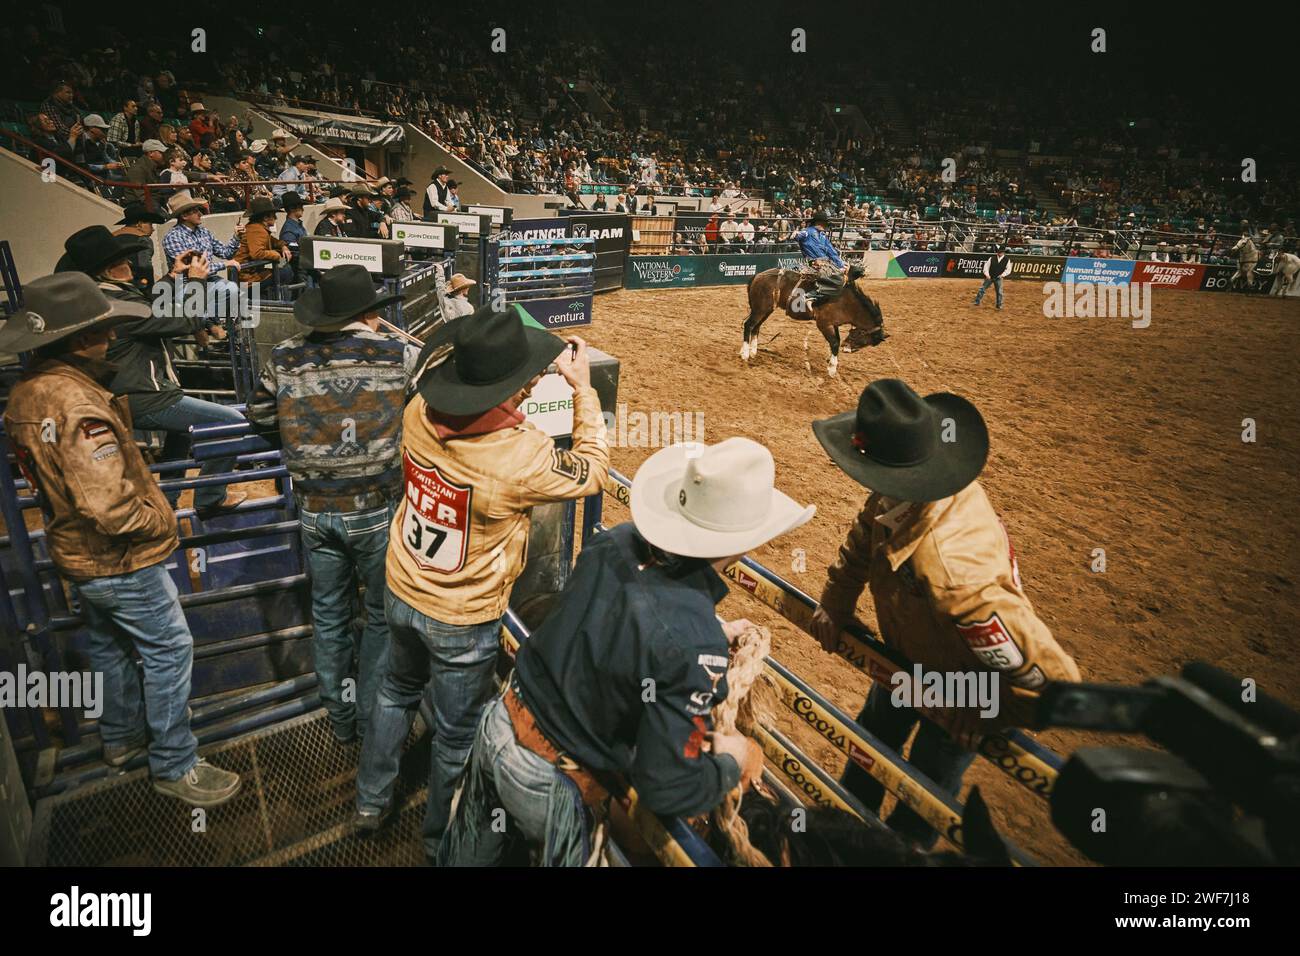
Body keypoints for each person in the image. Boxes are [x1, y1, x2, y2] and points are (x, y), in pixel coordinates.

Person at [439, 437, 813, 866]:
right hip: (553, 781)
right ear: (746, 539)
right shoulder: (692, 641)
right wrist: (733, 761)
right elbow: (666, 784)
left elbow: (629, 613)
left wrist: (710, 628)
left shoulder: (614, 542)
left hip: (499, 722)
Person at [354, 305, 609, 861]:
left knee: (395, 691)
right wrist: (581, 392)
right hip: (461, 614)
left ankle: (371, 801)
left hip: (401, 584)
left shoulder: (420, 409)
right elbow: (591, 470)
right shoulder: (520, 457)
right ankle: (438, 840)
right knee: (456, 735)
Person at [0, 274, 242, 806]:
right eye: (102, 329)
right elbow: (107, 503)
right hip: (119, 557)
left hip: (73, 551)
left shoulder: (26, 396)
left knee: (109, 647)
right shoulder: (80, 404)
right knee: (169, 648)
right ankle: (176, 764)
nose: (111, 337)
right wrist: (159, 524)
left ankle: (120, 740)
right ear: (78, 339)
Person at [808, 379, 1081, 846]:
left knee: (928, 783)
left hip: (963, 686)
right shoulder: (903, 498)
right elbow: (863, 540)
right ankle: (849, 835)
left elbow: (1054, 682)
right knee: (872, 741)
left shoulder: (956, 576)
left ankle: (899, 851)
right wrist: (836, 601)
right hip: (906, 656)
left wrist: (986, 705)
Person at [248, 266, 420, 743]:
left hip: (314, 507)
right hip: (376, 507)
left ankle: (341, 720)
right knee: (383, 618)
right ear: (369, 313)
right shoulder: (396, 355)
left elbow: (259, 414)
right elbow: (429, 404)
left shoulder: (285, 356)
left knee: (328, 614)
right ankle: (372, 719)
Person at [54, 225, 248, 518]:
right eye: (120, 262)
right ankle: (210, 497)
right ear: (106, 271)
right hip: (144, 395)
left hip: (139, 391)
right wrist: (195, 282)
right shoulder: (119, 304)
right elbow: (183, 321)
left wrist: (173, 275)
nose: (129, 264)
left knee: (181, 437)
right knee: (231, 423)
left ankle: (167, 504)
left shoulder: (110, 296)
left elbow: (152, 308)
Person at [792, 211, 848, 311]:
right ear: (818, 223)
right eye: (824, 223)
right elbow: (798, 236)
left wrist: (840, 264)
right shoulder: (807, 232)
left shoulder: (823, 236)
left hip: (826, 263)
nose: (825, 226)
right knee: (839, 279)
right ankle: (810, 296)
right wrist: (796, 234)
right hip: (814, 263)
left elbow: (831, 252)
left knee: (844, 277)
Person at [231, 196, 292, 286]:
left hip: (249, 273)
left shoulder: (256, 228)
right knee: (286, 272)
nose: (276, 218)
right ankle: (277, 298)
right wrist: (277, 255)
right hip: (247, 278)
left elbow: (272, 240)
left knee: (284, 268)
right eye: (273, 215)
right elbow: (257, 253)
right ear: (266, 217)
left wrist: (283, 246)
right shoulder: (257, 230)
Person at [112, 202, 167, 292]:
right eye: (150, 224)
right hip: (137, 287)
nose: (152, 229)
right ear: (140, 224)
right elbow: (145, 268)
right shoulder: (143, 239)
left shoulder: (112, 236)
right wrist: (149, 291)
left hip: (116, 284)